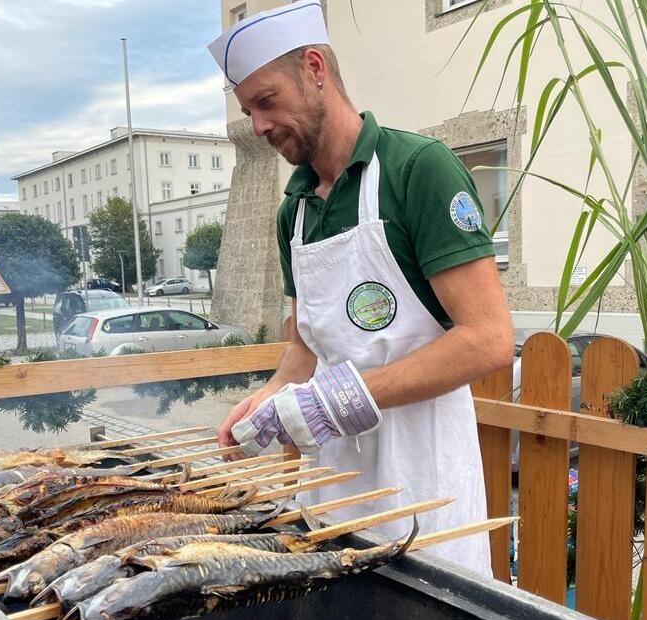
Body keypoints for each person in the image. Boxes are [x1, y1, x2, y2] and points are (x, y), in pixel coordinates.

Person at [208, 1, 512, 576]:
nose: (258, 127)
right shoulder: (293, 211)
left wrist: (342, 399)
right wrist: (271, 394)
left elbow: (488, 340)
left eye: (267, 102)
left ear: (315, 69)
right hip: (332, 489)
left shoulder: (418, 169)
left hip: (421, 480)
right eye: (249, 110)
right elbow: (308, 345)